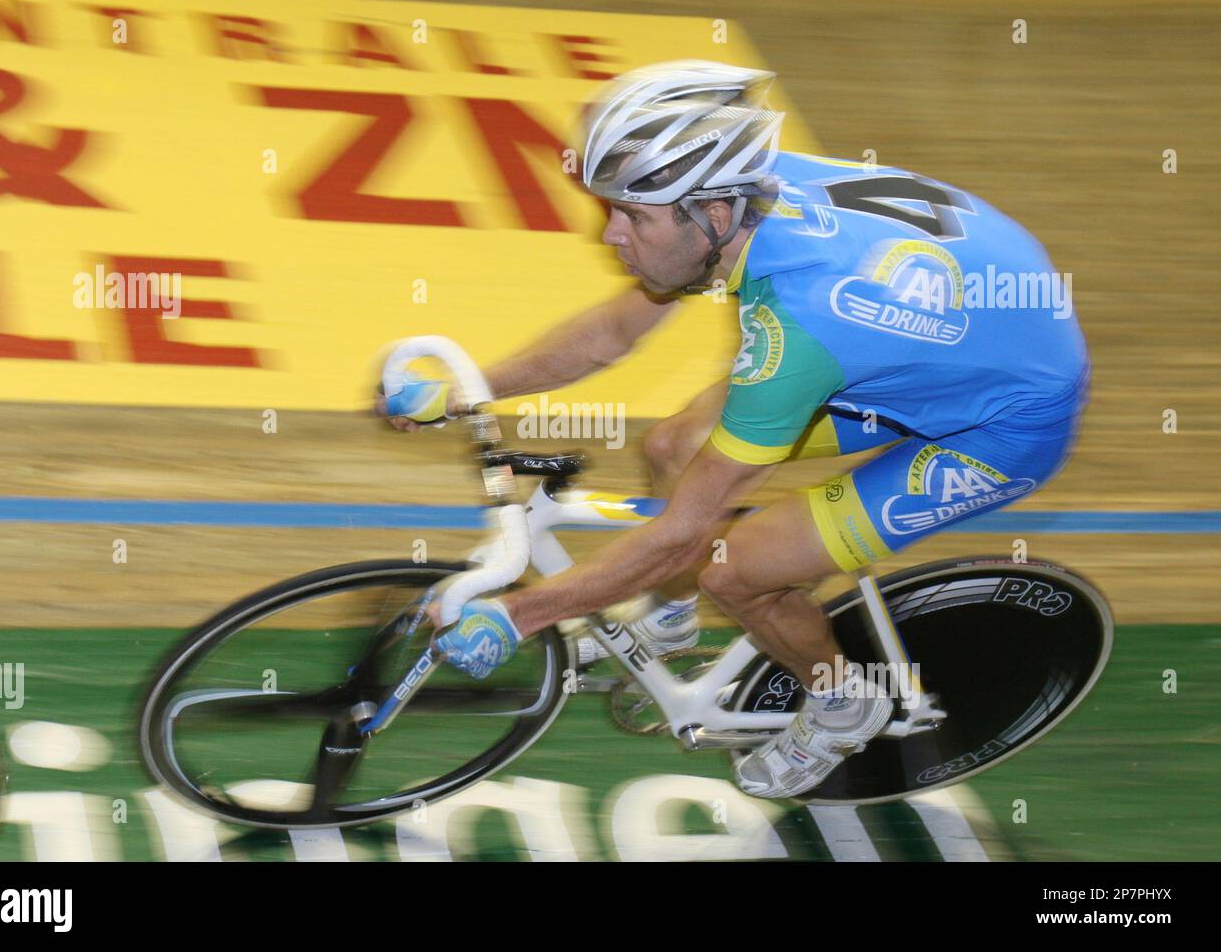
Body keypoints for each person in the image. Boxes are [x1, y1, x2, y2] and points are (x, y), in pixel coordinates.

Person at [376, 60, 1089, 799]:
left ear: (712, 216)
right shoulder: (737, 188)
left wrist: (522, 614)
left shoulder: (800, 327)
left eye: (632, 216)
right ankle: (673, 618)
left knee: (734, 567)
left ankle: (846, 701)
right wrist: (469, 391)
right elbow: (614, 335)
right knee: (671, 447)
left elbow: (687, 530)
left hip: (1000, 422)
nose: (610, 234)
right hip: (918, 345)